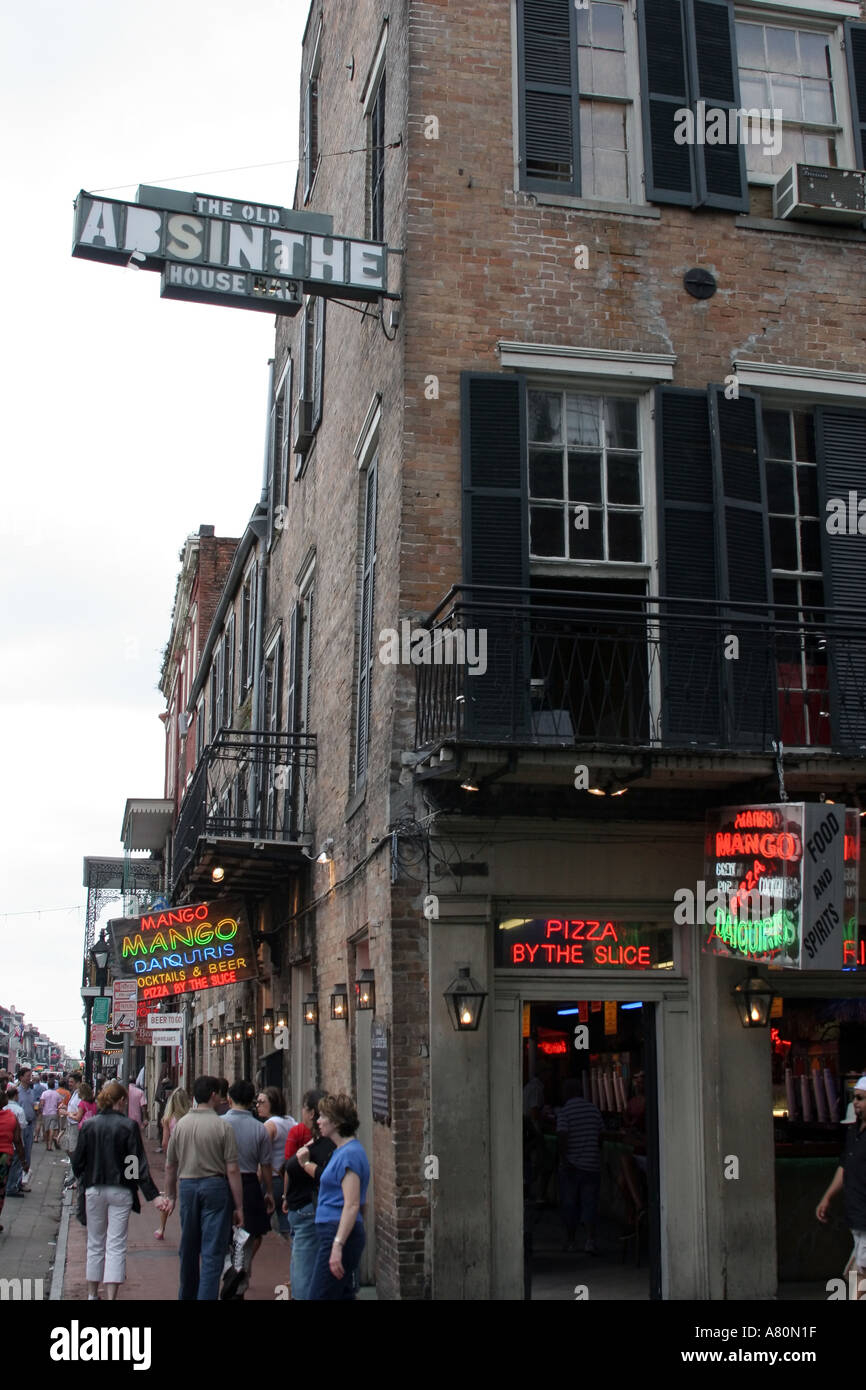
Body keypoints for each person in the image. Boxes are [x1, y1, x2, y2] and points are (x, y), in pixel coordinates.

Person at [71, 1081, 159, 1301]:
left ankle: (92, 1294)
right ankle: (111, 1296)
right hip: (120, 1189)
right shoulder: (128, 1126)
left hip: (94, 1187)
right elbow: (134, 1162)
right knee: (116, 1244)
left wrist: (86, 1175)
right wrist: (150, 1193)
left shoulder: (90, 1125)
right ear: (121, 1101)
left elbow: (78, 1160)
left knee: (95, 1242)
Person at [163, 1075, 244, 1301]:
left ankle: (186, 1294)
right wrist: (239, 1206)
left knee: (188, 1247)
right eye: (218, 1094)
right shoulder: (222, 1126)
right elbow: (233, 1169)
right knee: (212, 1250)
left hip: (188, 1185)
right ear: (212, 1095)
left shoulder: (181, 1126)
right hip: (215, 1185)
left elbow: (170, 1165)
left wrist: (171, 1195)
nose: (221, 1098)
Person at [305, 1093, 370, 1300]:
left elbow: (352, 1204)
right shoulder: (342, 1151)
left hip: (337, 1231)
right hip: (335, 1230)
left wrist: (338, 1244)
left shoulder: (349, 1154)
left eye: (323, 1116)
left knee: (319, 1295)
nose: (318, 1121)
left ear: (336, 1121)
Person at [221, 1079, 274, 1296]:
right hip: (250, 1184)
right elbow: (266, 1164)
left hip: (223, 1183)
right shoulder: (259, 1129)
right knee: (247, 1238)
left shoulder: (221, 1123)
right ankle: (240, 1281)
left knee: (222, 1234)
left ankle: (226, 1270)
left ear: (229, 1099)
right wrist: (269, 1191)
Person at [817, 1075, 866, 1299]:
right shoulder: (853, 1132)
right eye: (854, 1098)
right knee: (856, 1273)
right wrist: (827, 1197)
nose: (855, 1102)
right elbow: (845, 1166)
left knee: (860, 1273)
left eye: (860, 1098)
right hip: (856, 1214)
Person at [281, 1089, 334, 1299]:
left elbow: (325, 1177)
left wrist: (305, 1164)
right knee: (300, 1265)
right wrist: (286, 1197)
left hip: (307, 1210)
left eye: (304, 1108)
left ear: (312, 1113)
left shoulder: (326, 1146)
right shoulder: (314, 1141)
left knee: (303, 1271)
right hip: (300, 1209)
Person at [556, 1076, 604, 1254]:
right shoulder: (593, 1110)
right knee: (589, 1203)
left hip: (571, 1167)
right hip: (591, 1165)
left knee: (570, 1204)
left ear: (567, 1093)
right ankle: (590, 1240)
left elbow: (562, 1137)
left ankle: (571, 1241)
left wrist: (564, 1159)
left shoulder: (565, 1112)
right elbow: (600, 1136)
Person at [155, 1088, 191, 1240]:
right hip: (188, 1159)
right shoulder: (190, 1118)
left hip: (173, 1157)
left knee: (168, 1194)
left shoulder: (168, 1118)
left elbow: (164, 1143)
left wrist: (167, 1155)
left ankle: (162, 1228)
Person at [7, 1067, 37, 1194]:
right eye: (27, 1075)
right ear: (21, 1077)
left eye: (30, 1075)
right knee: (19, 1154)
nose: (30, 1077)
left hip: (30, 1125)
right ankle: (13, 1183)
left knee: (27, 1155)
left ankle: (21, 1181)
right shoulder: (17, 1092)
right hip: (20, 1127)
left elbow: (33, 1105)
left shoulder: (31, 1092)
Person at [0, 1088, 26, 1233]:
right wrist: (23, 1161)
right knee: (1, 1189)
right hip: (5, 1157)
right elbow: (17, 1141)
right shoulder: (11, 1117)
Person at [40, 1078, 62, 1151]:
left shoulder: (44, 1093)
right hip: (54, 1113)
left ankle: (47, 1144)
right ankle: (50, 1145)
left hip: (45, 1113)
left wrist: (41, 1109)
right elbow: (59, 1105)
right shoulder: (57, 1094)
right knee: (52, 1129)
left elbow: (42, 1103)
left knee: (46, 1129)